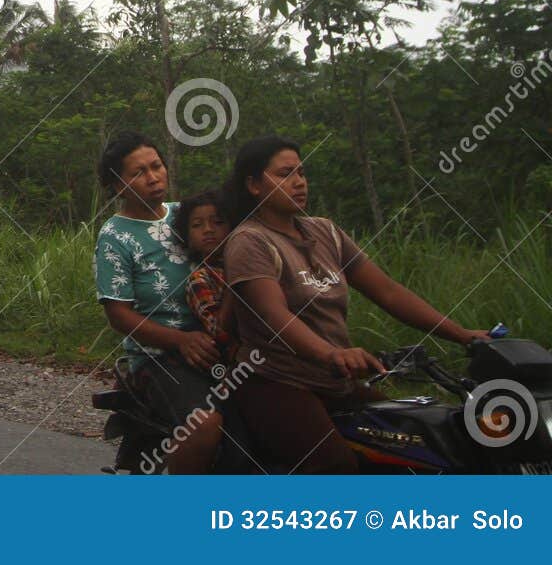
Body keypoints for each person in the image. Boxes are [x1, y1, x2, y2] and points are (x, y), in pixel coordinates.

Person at [221, 135, 489, 474]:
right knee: (336, 466)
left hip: (335, 381)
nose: (299, 182)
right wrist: (331, 354)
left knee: (419, 439)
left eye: (302, 172)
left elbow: (388, 292)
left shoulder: (325, 232)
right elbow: (277, 317)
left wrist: (463, 335)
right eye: (285, 174)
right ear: (254, 185)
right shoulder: (249, 241)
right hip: (275, 381)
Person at [92, 131, 223, 474]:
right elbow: (119, 315)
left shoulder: (187, 216)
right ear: (118, 185)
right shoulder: (114, 236)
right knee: (203, 425)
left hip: (220, 340)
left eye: (157, 166)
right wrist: (182, 340)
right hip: (159, 356)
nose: (153, 177)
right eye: (138, 172)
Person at [174, 190, 235, 362]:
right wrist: (236, 281)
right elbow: (219, 332)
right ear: (188, 238)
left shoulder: (255, 260)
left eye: (217, 222)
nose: (208, 230)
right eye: (197, 225)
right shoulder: (200, 280)